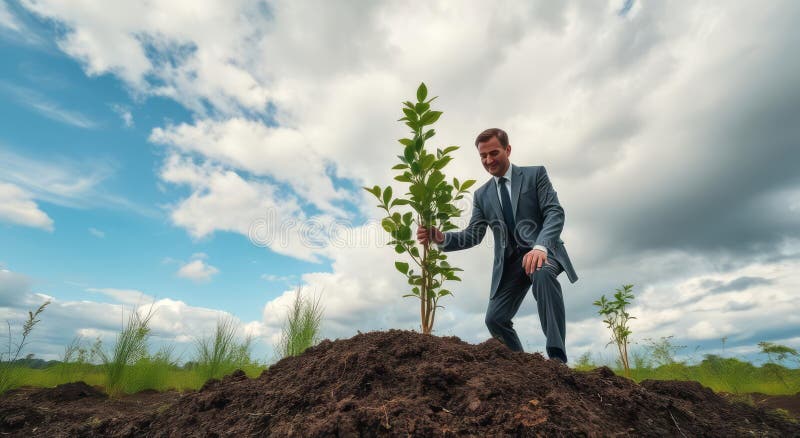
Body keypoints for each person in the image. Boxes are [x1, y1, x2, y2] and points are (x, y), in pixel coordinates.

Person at [416, 128, 578, 363]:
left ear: (508, 150)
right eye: (483, 156)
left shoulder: (535, 175)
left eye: (494, 153)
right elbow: (473, 234)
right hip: (510, 265)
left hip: (541, 254)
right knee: (495, 319)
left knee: (542, 274)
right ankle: (522, 367)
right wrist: (440, 238)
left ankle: (557, 359)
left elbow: (554, 212)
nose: (489, 160)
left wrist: (541, 246)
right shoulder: (482, 195)